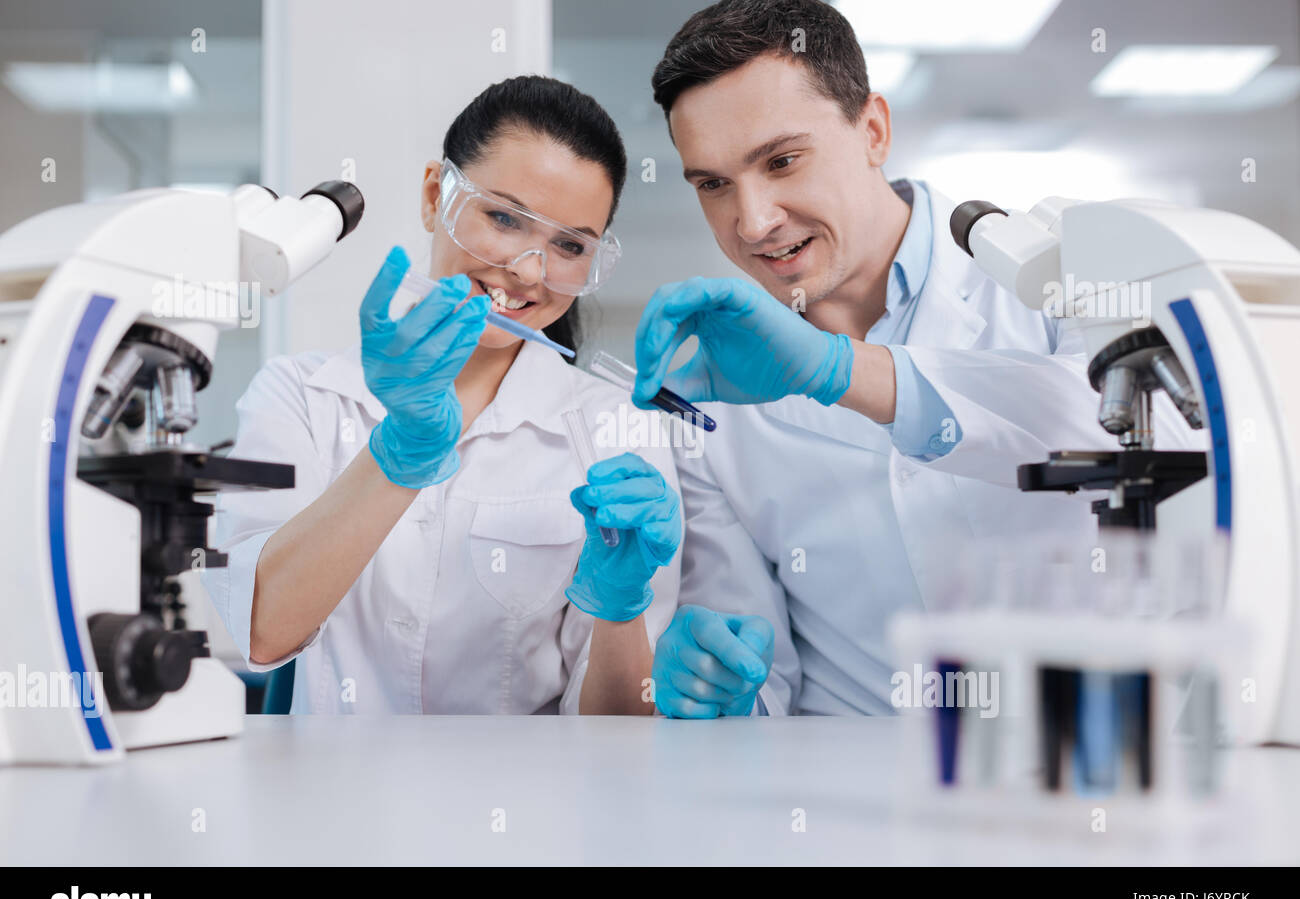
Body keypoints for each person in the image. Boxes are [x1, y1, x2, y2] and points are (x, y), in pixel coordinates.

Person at [637, 0, 1203, 717]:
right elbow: (762, 681)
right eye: (712, 184)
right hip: (856, 798)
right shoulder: (714, 398)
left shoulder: (1056, 270)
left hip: (1091, 765)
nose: (752, 221)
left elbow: (1176, 435)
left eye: (782, 161)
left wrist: (845, 372)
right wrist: (716, 681)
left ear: (873, 129)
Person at [204, 76, 682, 715]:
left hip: (533, 810)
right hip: (328, 807)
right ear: (436, 196)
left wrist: (620, 610)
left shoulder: (619, 433)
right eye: (504, 218)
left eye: (569, 245)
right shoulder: (301, 398)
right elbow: (263, 633)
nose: (529, 271)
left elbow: (621, 740)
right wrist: (398, 454)